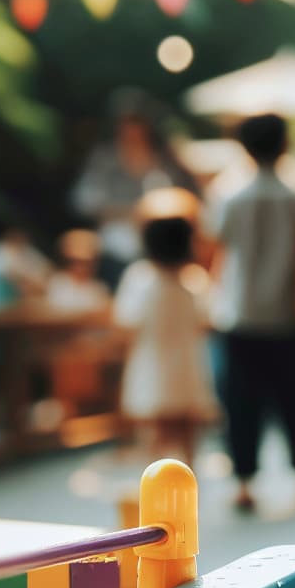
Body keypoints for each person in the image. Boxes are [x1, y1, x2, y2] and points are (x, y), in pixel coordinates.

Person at [211, 113, 295, 511]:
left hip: (240, 312)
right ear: (285, 144)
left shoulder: (229, 193)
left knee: (242, 403)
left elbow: (217, 246)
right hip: (289, 311)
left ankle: (243, 481)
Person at [112, 188, 218, 466]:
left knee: (155, 438)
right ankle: (188, 483)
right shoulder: (194, 280)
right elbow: (207, 320)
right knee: (186, 436)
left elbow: (125, 321)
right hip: (187, 366)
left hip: (151, 367)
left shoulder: (139, 279)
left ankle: (156, 490)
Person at [74, 91, 198, 289]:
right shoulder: (105, 160)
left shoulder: (166, 159)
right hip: (117, 249)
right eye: (127, 123)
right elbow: (84, 200)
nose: (133, 130)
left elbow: (191, 195)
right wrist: (130, 210)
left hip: (163, 249)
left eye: (138, 122)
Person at [46, 229, 111, 315]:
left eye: (87, 263)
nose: (81, 267)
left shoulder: (99, 288)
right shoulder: (57, 283)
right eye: (76, 262)